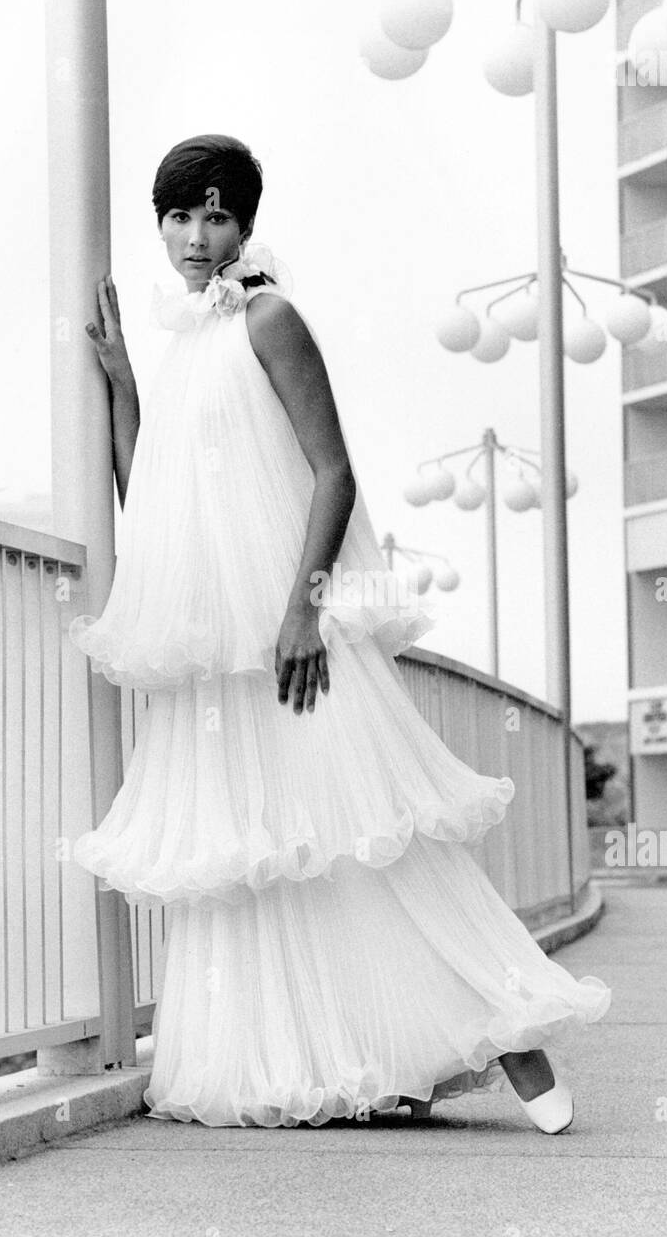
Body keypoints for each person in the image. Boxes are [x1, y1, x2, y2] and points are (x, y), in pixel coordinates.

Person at [71, 133, 610, 1132]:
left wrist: (302, 610)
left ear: (245, 225)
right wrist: (122, 386)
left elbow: (334, 471)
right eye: (180, 216)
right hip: (219, 659)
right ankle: (364, 1063)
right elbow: (152, 506)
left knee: (372, 835)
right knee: (266, 859)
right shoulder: (183, 343)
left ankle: (519, 1047)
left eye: (217, 215)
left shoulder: (268, 318)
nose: (197, 236)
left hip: (292, 639)